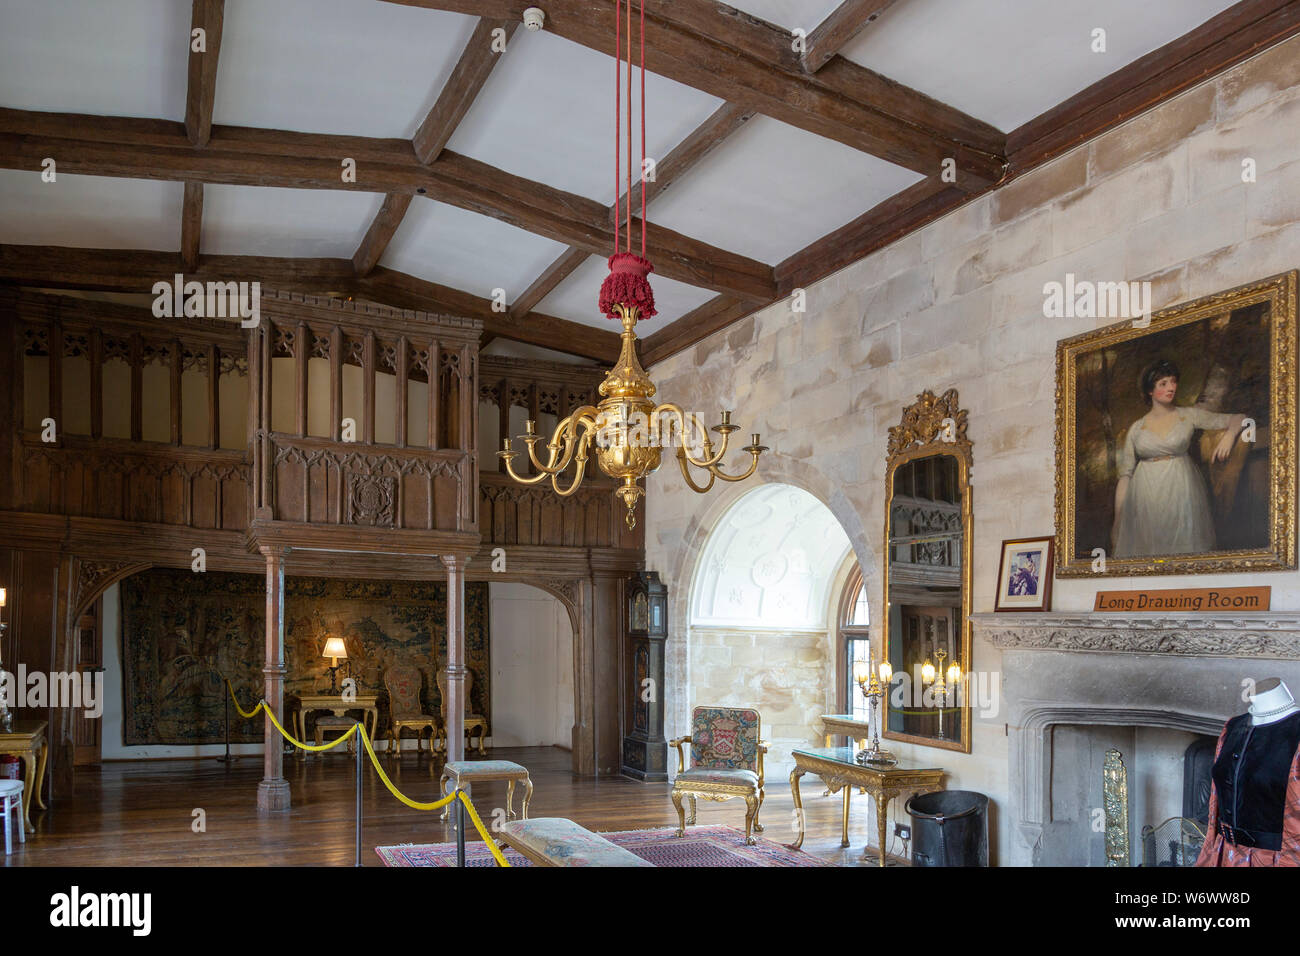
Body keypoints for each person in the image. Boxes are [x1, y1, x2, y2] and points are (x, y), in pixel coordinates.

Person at [1112, 359, 1246, 557]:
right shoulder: (1136, 428)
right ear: (1150, 391)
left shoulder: (1189, 415)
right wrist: (1119, 516)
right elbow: (1125, 475)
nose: (1171, 387)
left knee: (1184, 548)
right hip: (1145, 496)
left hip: (1181, 490)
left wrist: (1229, 435)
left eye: (1173, 381)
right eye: (1163, 384)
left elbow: (1240, 418)